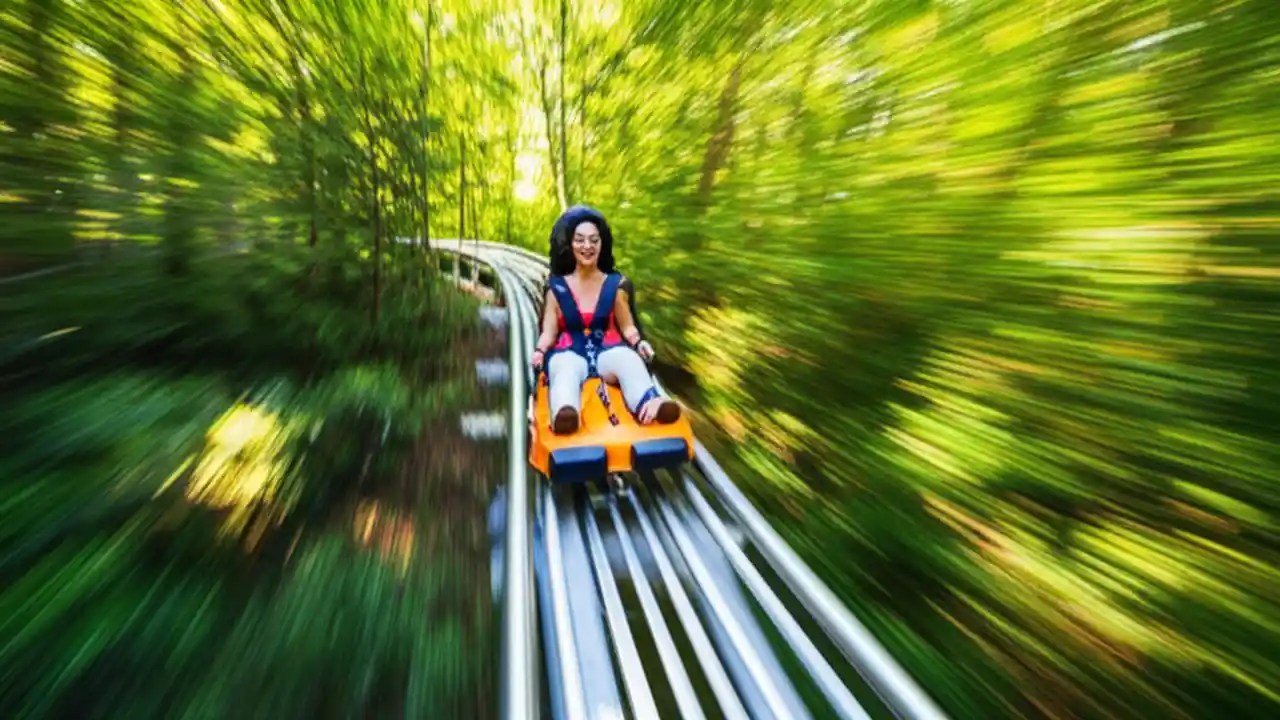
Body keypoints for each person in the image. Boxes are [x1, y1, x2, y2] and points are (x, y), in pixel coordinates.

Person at [531, 206, 681, 434]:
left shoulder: (615, 285)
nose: (587, 246)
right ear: (570, 245)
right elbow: (549, 331)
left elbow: (627, 325)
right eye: (580, 240)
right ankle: (565, 413)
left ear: (602, 244)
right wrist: (540, 350)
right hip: (570, 351)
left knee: (629, 360)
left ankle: (650, 403)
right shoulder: (556, 288)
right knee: (564, 370)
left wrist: (638, 343)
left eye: (593, 240)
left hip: (607, 351)